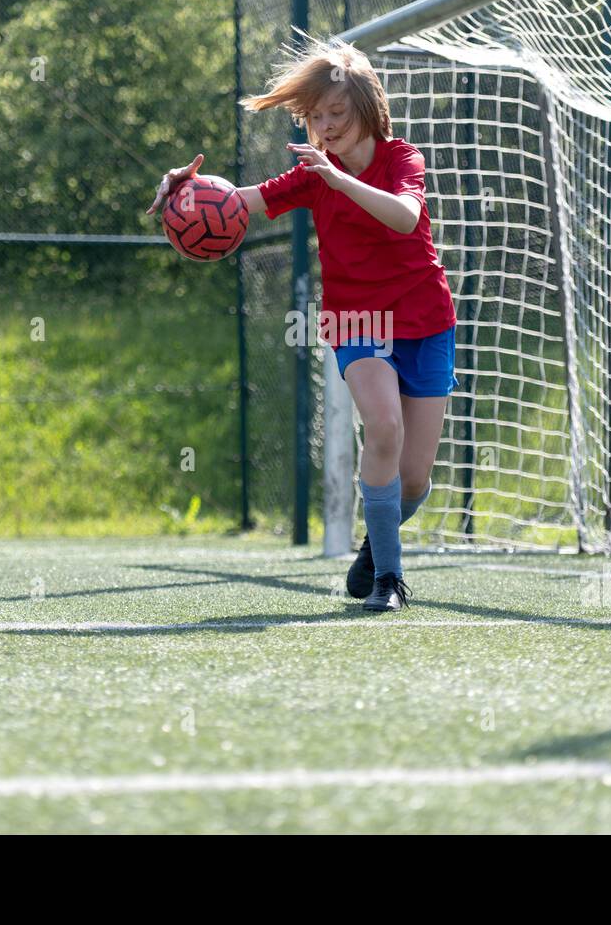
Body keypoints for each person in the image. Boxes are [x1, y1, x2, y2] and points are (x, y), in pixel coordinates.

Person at [148, 35, 457, 611]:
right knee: (383, 426)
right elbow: (240, 203)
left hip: (425, 318)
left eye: (336, 112)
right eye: (315, 116)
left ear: (367, 108)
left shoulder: (401, 159)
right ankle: (389, 581)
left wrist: (339, 180)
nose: (326, 124)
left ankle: (374, 547)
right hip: (358, 319)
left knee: (413, 480)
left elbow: (405, 215)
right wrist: (182, 192)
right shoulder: (314, 173)